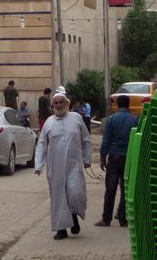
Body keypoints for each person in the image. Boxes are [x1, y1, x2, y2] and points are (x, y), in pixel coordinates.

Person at [35, 89, 93, 240]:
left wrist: (87, 160)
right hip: (55, 168)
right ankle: (61, 230)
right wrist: (38, 164)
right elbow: (41, 143)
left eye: (62, 102)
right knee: (59, 198)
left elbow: (86, 140)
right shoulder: (49, 122)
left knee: (74, 193)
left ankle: (74, 217)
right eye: (56, 103)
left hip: (74, 165)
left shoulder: (76, 118)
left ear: (66, 103)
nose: (59, 105)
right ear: (53, 105)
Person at [95, 94, 138, 228]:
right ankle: (123, 218)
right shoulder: (135, 120)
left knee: (110, 189)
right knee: (126, 189)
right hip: (129, 158)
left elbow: (106, 141)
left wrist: (102, 157)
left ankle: (106, 219)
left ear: (118, 105)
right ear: (128, 104)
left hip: (114, 158)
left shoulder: (111, 120)